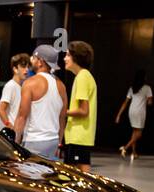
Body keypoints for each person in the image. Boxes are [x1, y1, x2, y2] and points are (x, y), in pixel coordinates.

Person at [13, 43, 66, 161]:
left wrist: (15, 143)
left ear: (40, 61)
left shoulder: (30, 83)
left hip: (34, 141)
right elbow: (62, 118)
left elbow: (22, 116)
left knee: (30, 177)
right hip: (53, 141)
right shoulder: (61, 85)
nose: (31, 60)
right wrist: (59, 143)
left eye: (33, 58)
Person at [63, 41, 96, 171]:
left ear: (76, 57)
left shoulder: (82, 77)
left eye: (67, 55)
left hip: (78, 135)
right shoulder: (85, 76)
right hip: (81, 136)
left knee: (75, 175)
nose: (65, 58)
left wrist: (63, 112)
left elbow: (83, 110)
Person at [115, 69, 152, 159]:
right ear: (144, 78)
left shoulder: (132, 88)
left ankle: (134, 153)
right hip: (140, 112)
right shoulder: (147, 88)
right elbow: (150, 102)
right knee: (139, 134)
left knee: (135, 132)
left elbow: (125, 102)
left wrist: (118, 115)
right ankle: (125, 148)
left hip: (131, 111)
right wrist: (147, 100)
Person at [0, 53, 28, 132]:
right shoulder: (10, 86)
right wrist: (10, 126)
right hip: (6, 135)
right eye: (23, 66)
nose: (27, 70)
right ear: (15, 69)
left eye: (28, 67)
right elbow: (0, 110)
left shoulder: (19, 87)